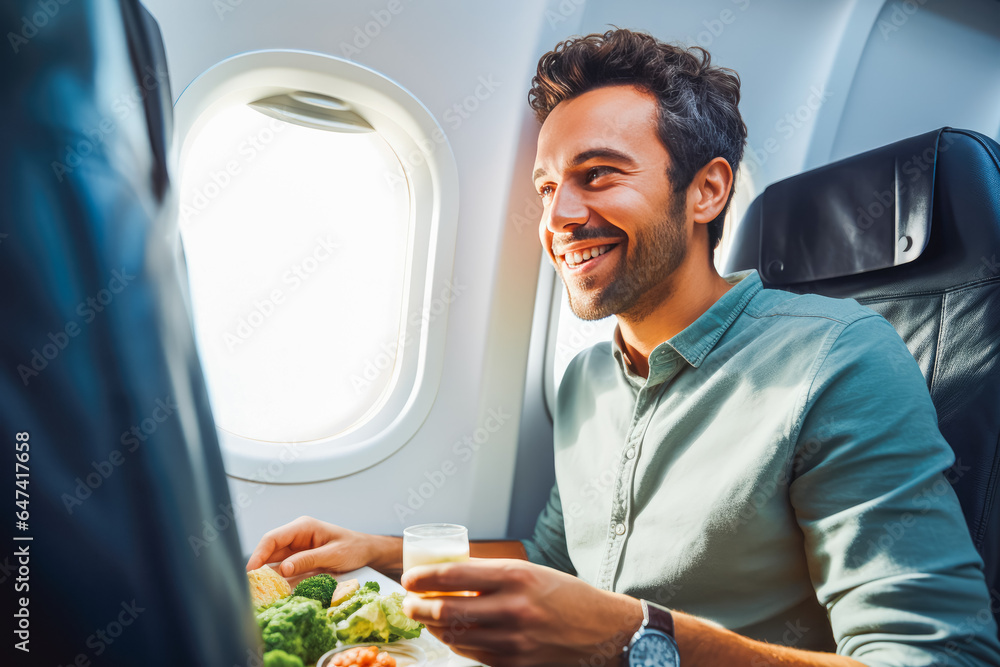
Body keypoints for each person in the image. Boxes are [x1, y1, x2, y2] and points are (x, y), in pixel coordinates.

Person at [247, 29, 1000, 666]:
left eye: (597, 175)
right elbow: (551, 564)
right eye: (547, 189)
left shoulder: (837, 361)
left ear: (706, 191)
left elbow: (934, 655)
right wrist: (380, 551)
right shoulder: (585, 381)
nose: (560, 217)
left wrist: (636, 636)